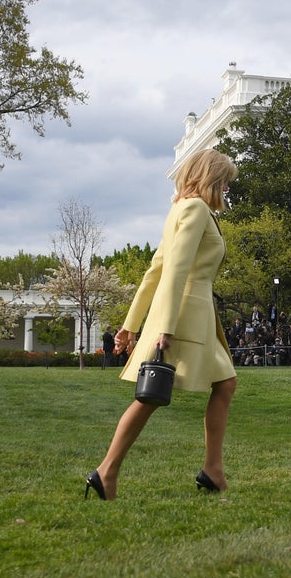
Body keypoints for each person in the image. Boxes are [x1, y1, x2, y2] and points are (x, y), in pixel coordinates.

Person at [85, 149, 239, 501]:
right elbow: (172, 271)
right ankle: (105, 471)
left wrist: (131, 324)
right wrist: (163, 327)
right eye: (226, 180)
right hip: (184, 317)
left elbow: (154, 270)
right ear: (211, 177)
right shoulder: (195, 209)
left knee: (225, 383)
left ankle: (213, 470)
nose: (228, 187)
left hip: (192, 317)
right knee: (151, 395)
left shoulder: (183, 209)